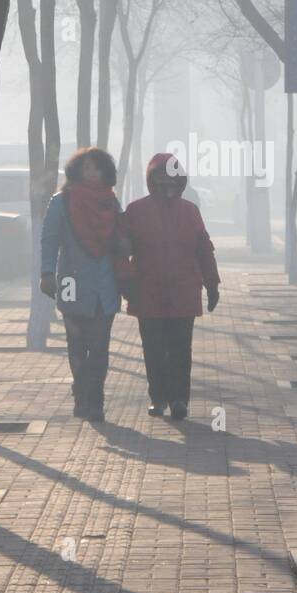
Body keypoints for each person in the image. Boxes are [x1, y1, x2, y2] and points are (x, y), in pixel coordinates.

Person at [121, 152, 220, 420]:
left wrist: (212, 284)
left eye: (172, 179)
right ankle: (158, 397)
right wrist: (126, 281)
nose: (166, 184)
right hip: (147, 292)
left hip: (183, 291)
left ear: (181, 181)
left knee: (179, 349)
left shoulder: (190, 211)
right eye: (160, 178)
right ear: (151, 180)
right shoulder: (136, 211)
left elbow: (204, 250)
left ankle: (179, 400)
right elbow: (121, 250)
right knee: (153, 349)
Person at [40, 147, 128, 422]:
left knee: (100, 347)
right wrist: (46, 273)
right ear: (77, 171)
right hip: (71, 282)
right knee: (76, 344)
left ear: (106, 172)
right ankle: (81, 395)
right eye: (86, 168)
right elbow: (50, 239)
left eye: (97, 168)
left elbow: (122, 238)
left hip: (106, 284)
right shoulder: (61, 201)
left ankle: (95, 401)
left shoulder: (110, 202)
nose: (92, 173)